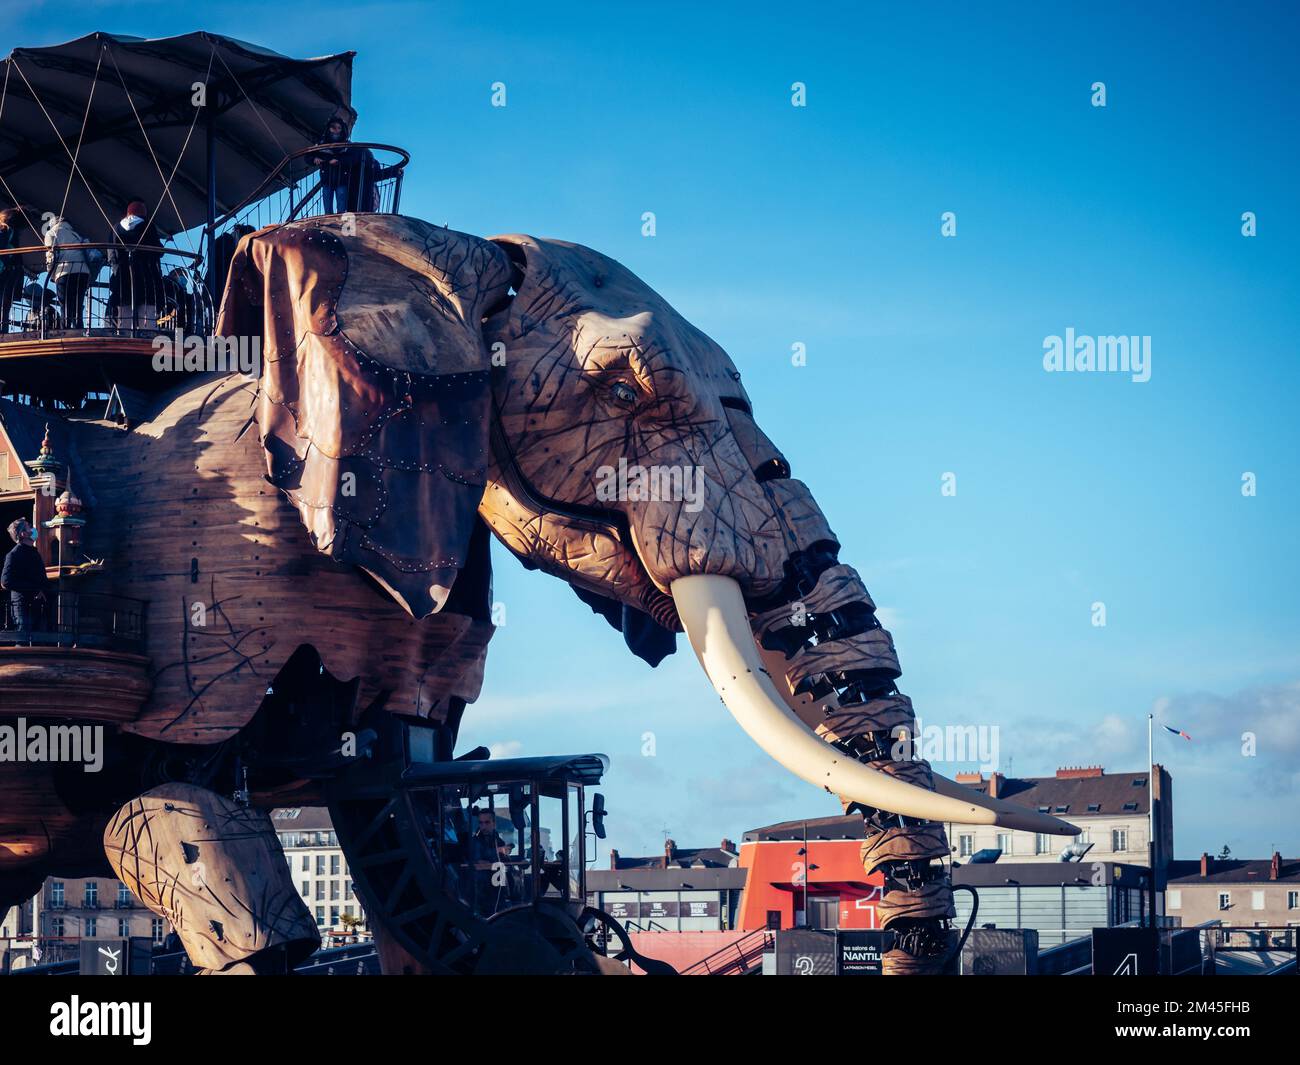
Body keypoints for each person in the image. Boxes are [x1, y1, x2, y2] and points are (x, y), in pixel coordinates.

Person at [107, 200, 164, 331]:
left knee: (124, 314)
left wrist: (116, 268)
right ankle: (148, 340)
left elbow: (111, 255)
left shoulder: (115, 228)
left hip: (122, 277)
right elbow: (157, 251)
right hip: (146, 277)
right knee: (147, 315)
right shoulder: (148, 226)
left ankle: (124, 340)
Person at [312, 117, 377, 215]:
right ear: (328, 129)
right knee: (327, 203)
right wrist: (314, 159)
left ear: (342, 130)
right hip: (327, 180)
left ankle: (339, 218)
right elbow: (309, 156)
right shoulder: (321, 145)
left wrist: (340, 160)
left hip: (341, 180)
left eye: (339, 128)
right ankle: (329, 219)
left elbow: (352, 158)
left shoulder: (347, 146)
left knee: (341, 204)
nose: (336, 130)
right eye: (333, 127)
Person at [44, 214, 97, 329]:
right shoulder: (76, 234)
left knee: (65, 304)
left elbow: (50, 256)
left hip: (64, 271)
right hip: (83, 272)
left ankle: (65, 329)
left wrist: (51, 273)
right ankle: (79, 329)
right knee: (78, 304)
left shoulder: (51, 233)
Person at [1, 518, 49, 642]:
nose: (33, 528)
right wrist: (34, 590)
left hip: (37, 604)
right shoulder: (14, 554)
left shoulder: (34, 553)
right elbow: (6, 581)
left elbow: (40, 576)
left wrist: (42, 590)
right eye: (29, 527)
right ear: (23, 534)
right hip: (21, 605)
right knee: (23, 638)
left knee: (37, 640)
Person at [0, 209, 25, 333]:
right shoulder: (6, 231)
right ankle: (3, 330)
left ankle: (3, 330)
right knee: (5, 304)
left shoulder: (8, 231)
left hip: (7, 271)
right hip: (7, 271)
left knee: (4, 303)